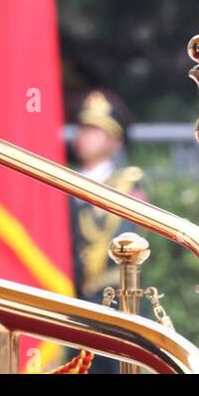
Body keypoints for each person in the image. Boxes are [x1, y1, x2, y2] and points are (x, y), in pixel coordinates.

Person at [68, 88, 145, 374]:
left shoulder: (127, 185)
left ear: (114, 140)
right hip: (74, 303)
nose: (85, 136)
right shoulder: (64, 181)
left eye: (95, 130)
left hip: (119, 306)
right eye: (83, 128)